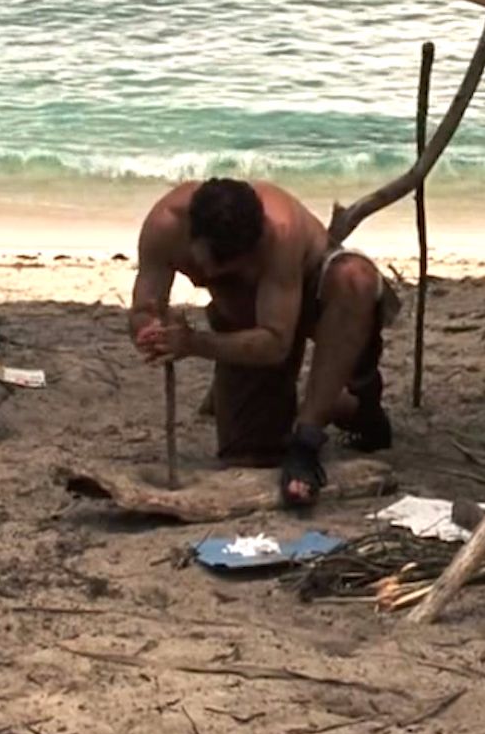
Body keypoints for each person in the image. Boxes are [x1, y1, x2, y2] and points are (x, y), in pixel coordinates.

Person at [129, 178, 398, 506]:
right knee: (250, 455)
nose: (211, 272)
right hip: (244, 321)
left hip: (306, 308)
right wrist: (151, 329)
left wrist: (194, 343)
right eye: (208, 265)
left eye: (232, 267)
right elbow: (143, 307)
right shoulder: (164, 226)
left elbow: (275, 344)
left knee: (354, 279)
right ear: (192, 234)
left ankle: (310, 433)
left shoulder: (280, 231)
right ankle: (350, 408)